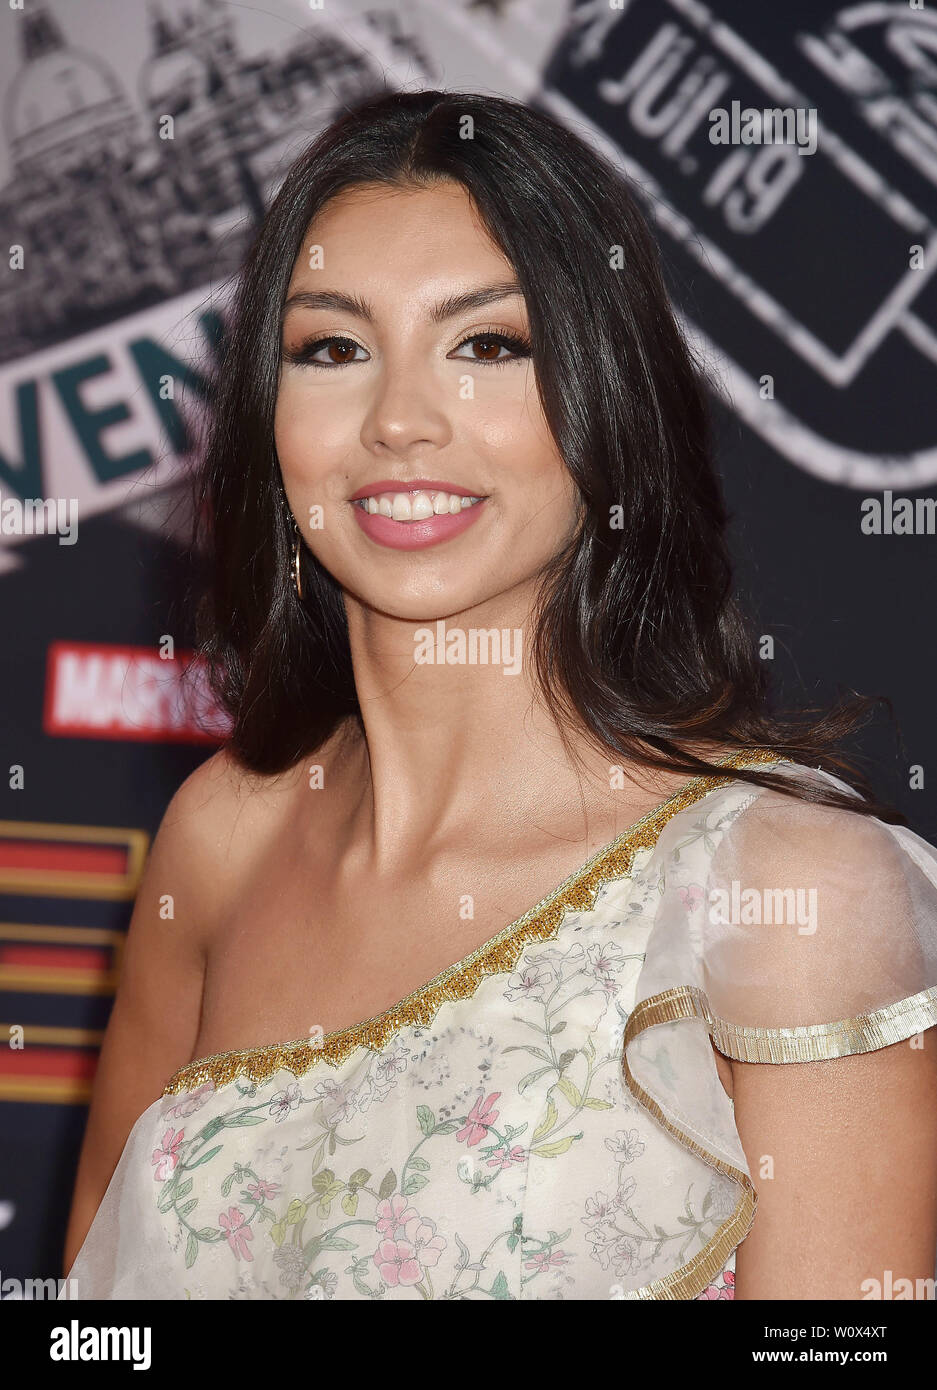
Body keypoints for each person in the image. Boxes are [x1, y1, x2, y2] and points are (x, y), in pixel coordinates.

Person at [61, 89, 937, 1301]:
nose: (401, 421)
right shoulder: (223, 834)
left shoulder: (791, 891)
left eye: (487, 345)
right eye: (331, 348)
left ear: (603, 394)